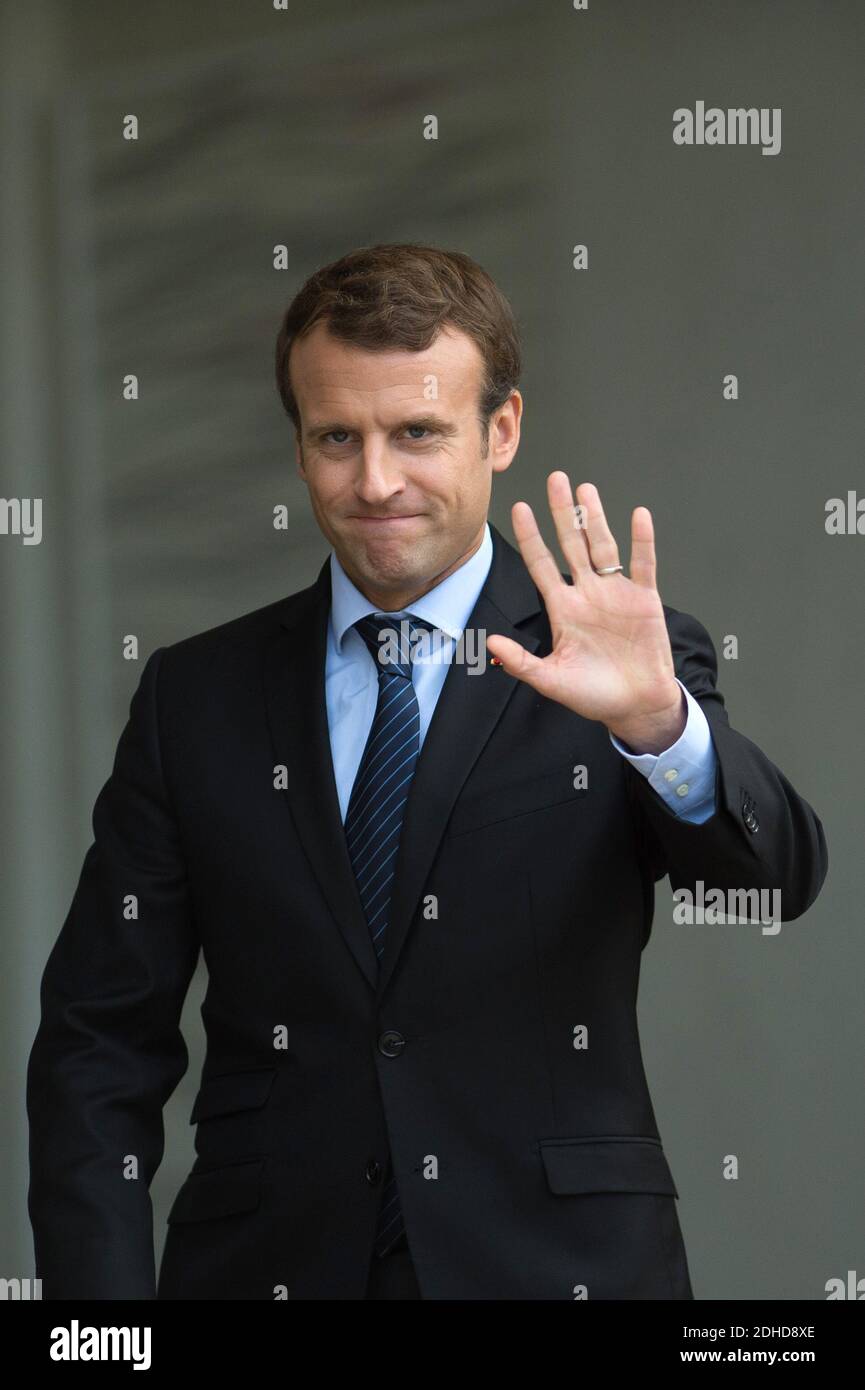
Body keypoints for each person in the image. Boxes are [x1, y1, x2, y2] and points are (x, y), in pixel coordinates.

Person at [26, 243, 828, 1300]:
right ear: (298, 444)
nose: (375, 481)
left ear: (501, 430)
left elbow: (774, 880)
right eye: (336, 437)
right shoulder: (196, 698)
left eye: (416, 432)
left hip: (558, 1272)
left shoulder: (615, 660)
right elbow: (98, 1041)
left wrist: (657, 725)